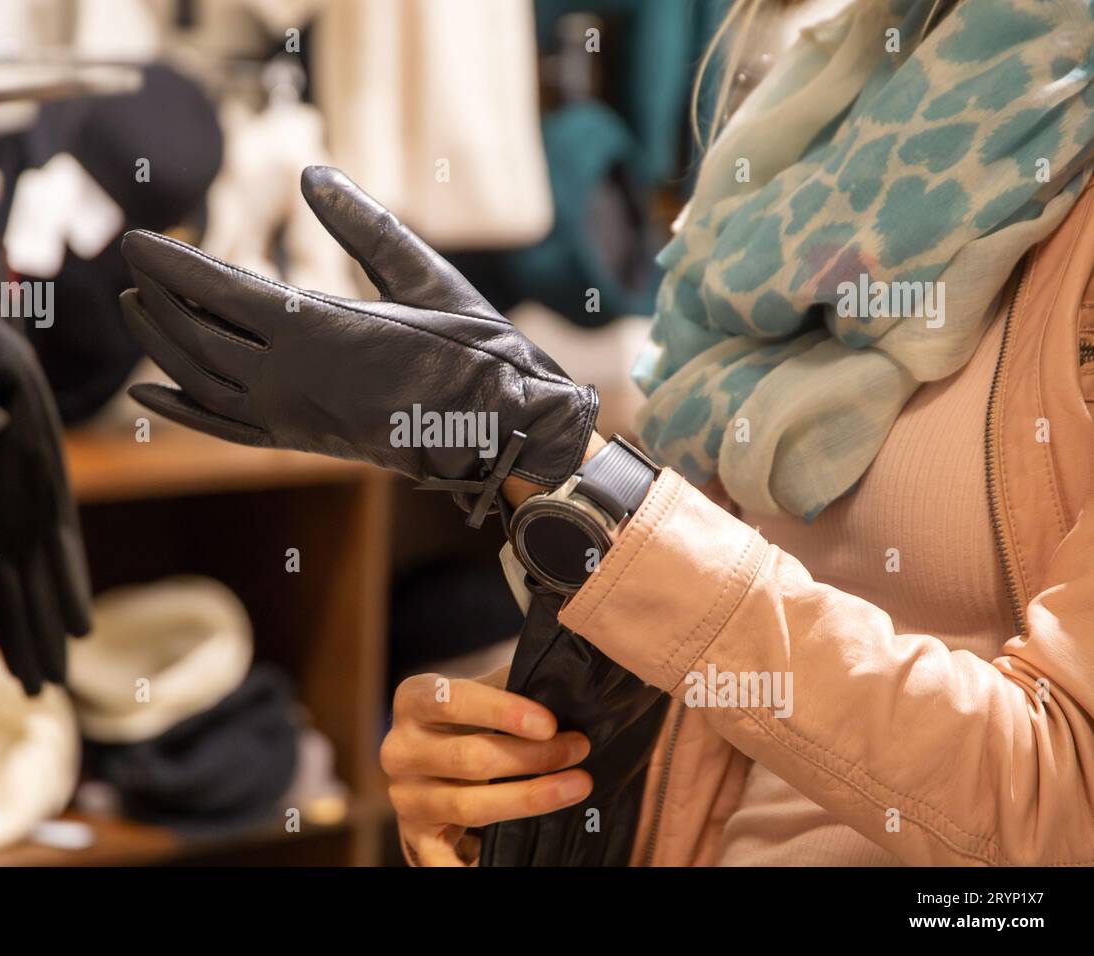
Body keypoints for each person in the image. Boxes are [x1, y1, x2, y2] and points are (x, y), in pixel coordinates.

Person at [121, 0, 1094, 866]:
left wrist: (570, 473)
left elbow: (1058, 802)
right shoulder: (824, 120)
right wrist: (507, 756)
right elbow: (745, 656)